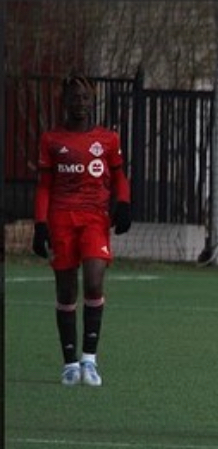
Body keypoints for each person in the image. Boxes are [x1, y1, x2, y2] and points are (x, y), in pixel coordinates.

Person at [32, 73, 132, 387]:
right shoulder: (52, 140)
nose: (80, 103)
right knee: (65, 290)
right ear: (65, 101)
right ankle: (70, 363)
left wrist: (124, 203)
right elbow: (45, 186)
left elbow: (118, 177)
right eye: (75, 97)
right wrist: (40, 224)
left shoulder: (107, 140)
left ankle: (90, 360)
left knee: (93, 281)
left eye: (86, 98)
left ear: (93, 102)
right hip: (61, 218)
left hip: (94, 218)